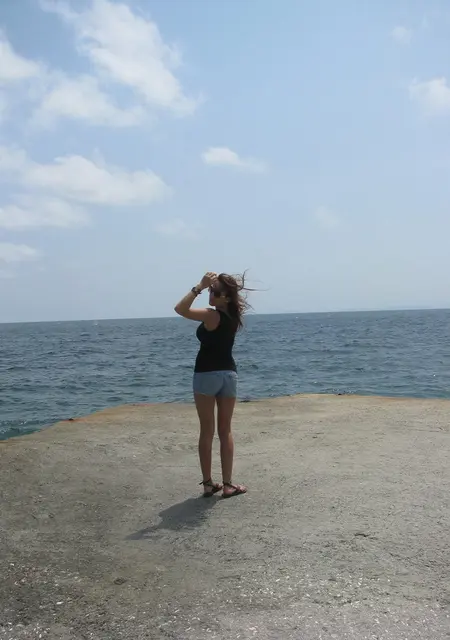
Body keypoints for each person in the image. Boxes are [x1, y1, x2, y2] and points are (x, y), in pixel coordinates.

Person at [174, 271, 249, 498]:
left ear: (225, 297)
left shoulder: (210, 315)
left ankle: (208, 483)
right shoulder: (233, 317)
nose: (210, 295)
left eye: (214, 292)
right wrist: (213, 285)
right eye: (210, 291)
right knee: (225, 431)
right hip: (229, 375)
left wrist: (198, 286)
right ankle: (228, 484)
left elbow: (180, 309)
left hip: (206, 374)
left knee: (207, 431)